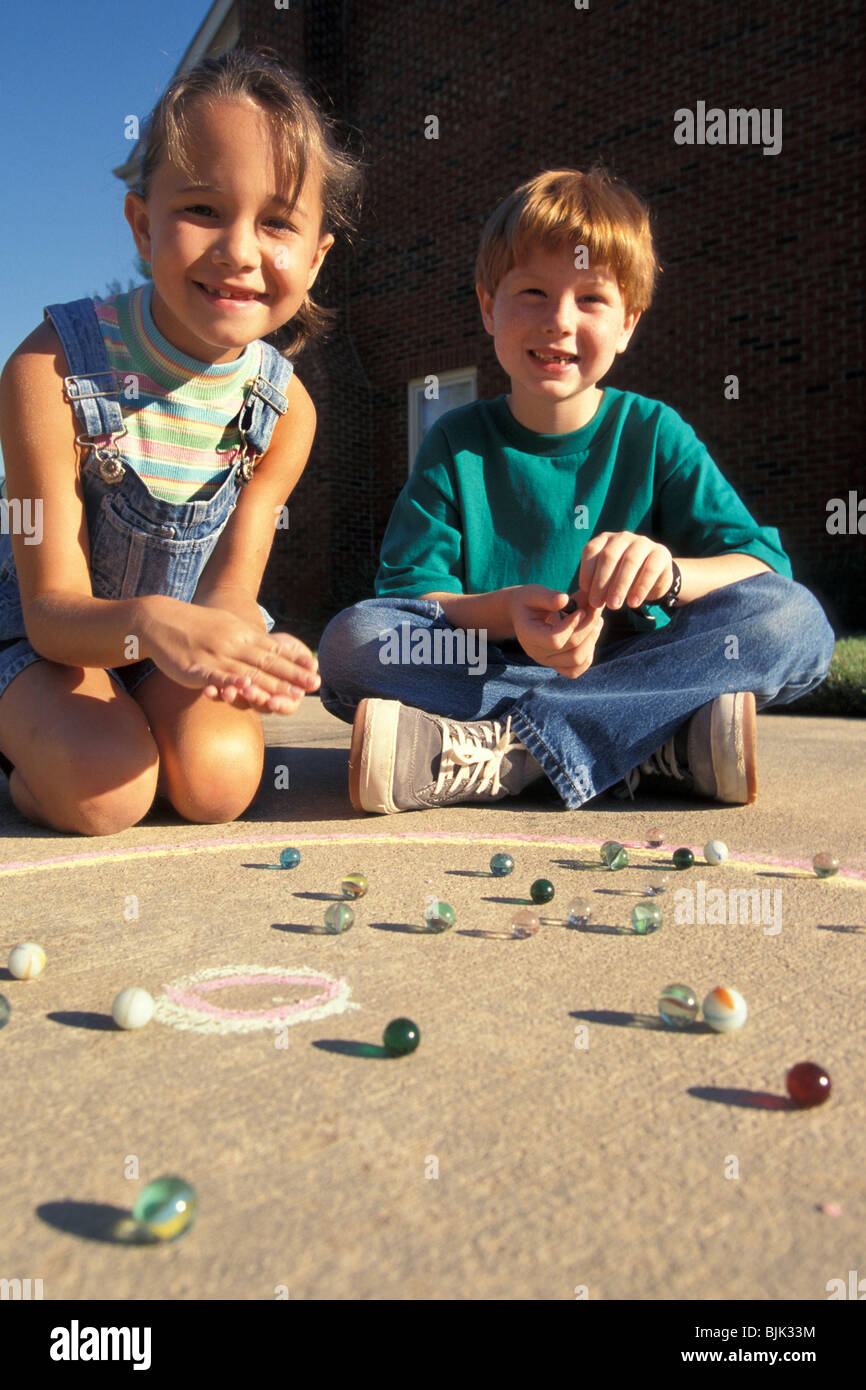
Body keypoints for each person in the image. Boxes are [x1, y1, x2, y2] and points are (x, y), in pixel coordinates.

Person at [316, 166, 835, 814]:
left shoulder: (654, 431)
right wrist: (506, 614)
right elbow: (414, 603)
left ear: (628, 324)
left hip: (640, 669)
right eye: (532, 291)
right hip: (493, 673)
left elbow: (763, 567)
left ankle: (506, 754)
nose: (559, 321)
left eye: (591, 300)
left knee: (794, 620)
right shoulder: (456, 442)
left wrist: (670, 574)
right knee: (352, 640)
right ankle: (654, 748)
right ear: (487, 305)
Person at [0, 49, 361, 836]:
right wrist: (154, 622)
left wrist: (234, 645)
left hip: (173, 649)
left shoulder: (284, 410)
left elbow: (229, 591)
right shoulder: (49, 367)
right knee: (103, 794)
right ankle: (26, 757)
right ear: (142, 223)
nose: (238, 250)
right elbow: (52, 613)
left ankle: (121, 724)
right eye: (202, 210)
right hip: (49, 641)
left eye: (276, 222)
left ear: (316, 255)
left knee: (217, 783)